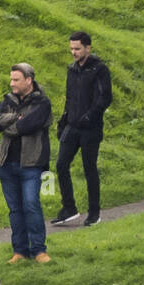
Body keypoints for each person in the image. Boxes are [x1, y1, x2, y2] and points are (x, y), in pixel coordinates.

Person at [0, 63, 52, 265]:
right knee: (15, 209)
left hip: (31, 163)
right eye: (11, 79)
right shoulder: (8, 100)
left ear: (28, 80)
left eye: (16, 80)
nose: (11, 83)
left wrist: (9, 124)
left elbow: (27, 126)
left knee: (31, 205)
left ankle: (39, 250)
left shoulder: (42, 103)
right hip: (7, 163)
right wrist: (16, 117)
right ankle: (20, 251)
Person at [51, 31, 112, 226]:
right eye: (71, 49)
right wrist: (63, 121)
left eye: (77, 48)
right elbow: (69, 98)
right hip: (72, 125)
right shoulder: (72, 69)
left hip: (90, 128)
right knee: (61, 165)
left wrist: (89, 116)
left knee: (89, 169)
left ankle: (94, 213)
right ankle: (69, 207)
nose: (74, 52)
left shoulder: (100, 69)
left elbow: (104, 98)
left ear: (88, 48)